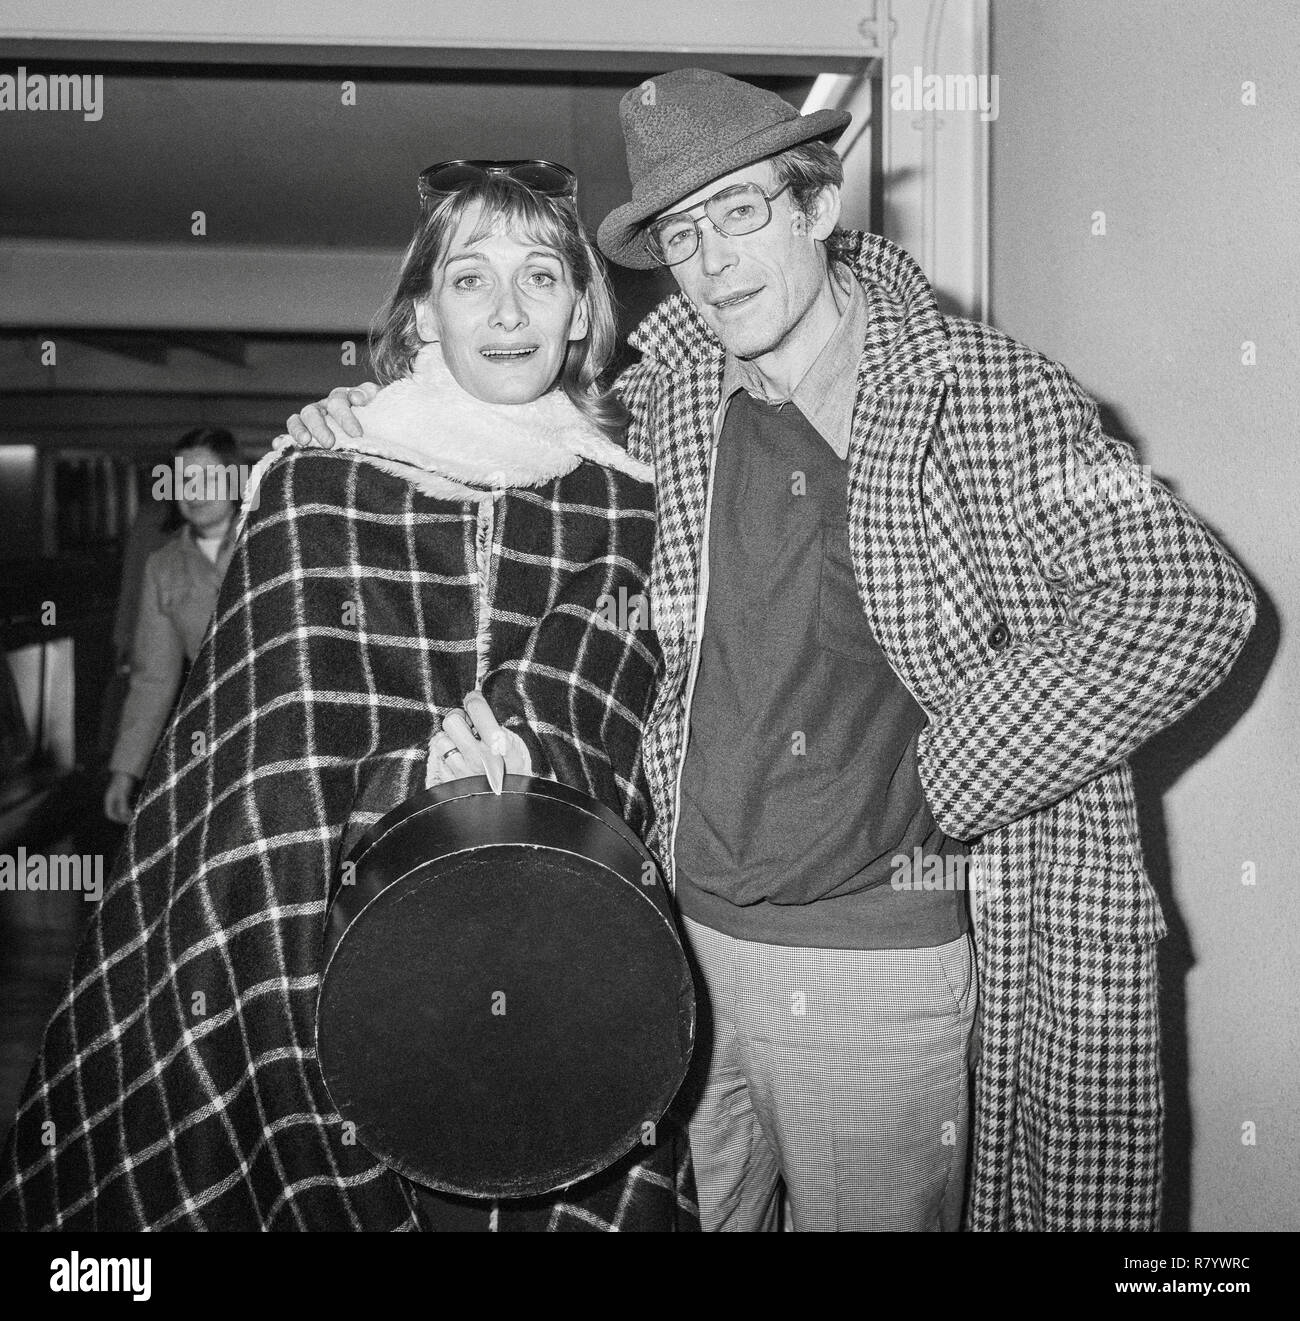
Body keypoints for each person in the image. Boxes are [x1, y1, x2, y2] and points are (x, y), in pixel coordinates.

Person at [295, 70, 1257, 1233]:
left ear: (815, 207)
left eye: (741, 212)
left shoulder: (987, 391)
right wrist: (363, 418)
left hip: (874, 960)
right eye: (683, 234)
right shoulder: (662, 400)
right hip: (667, 941)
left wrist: (951, 764)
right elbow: (510, 408)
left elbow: (1189, 596)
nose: (711, 262)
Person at [0, 161, 695, 1231]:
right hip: (305, 947)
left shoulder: (626, 500)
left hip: (556, 932)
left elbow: (613, 688)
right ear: (423, 312)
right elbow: (253, 756)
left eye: (542, 276)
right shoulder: (315, 476)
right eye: (470, 279)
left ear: (580, 312)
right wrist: (409, 793)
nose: (507, 311)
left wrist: (520, 764)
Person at [103, 428, 240, 823]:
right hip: (215, 739)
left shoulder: (271, 542)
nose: (194, 492)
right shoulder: (162, 566)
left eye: (208, 478)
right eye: (183, 479)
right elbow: (153, 680)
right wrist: (124, 771)